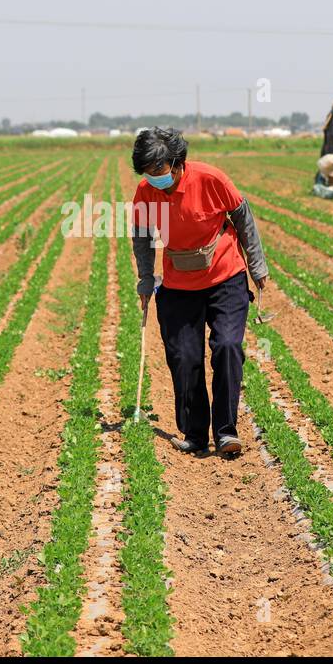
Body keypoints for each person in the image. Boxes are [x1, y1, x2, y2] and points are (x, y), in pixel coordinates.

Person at [130, 127, 269, 456]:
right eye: (147, 173)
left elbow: (243, 218)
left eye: (159, 171)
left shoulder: (210, 179)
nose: (153, 178)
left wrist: (257, 265)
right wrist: (145, 279)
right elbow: (142, 237)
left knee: (227, 346)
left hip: (226, 276)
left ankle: (226, 431)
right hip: (179, 284)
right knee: (184, 357)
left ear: (177, 163)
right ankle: (194, 434)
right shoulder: (146, 192)